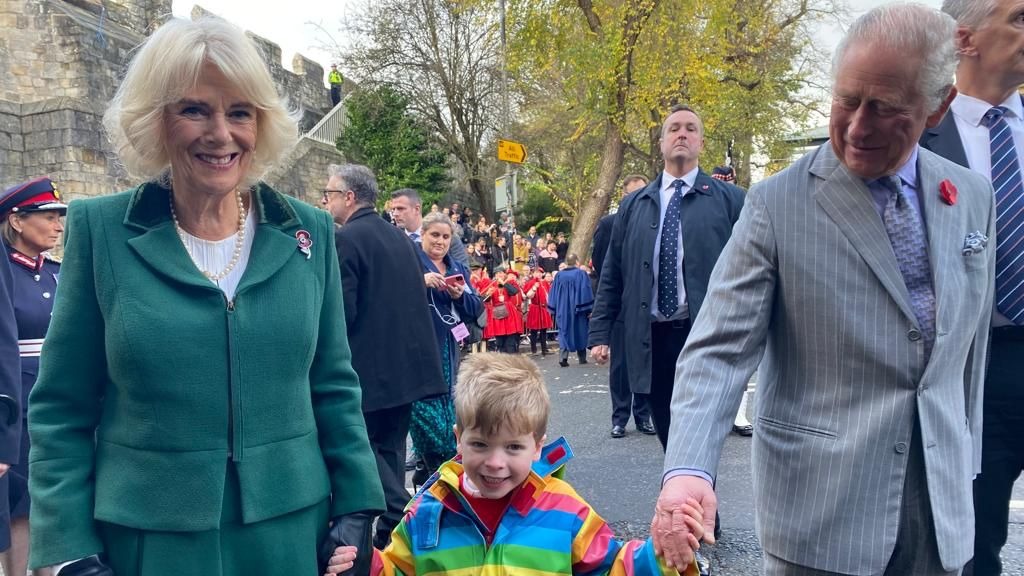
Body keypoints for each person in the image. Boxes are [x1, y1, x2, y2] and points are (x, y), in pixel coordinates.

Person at [26, 17, 384, 575]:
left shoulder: (308, 232)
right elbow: (61, 408)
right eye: (194, 110)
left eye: (239, 112)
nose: (221, 134)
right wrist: (70, 550)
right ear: (156, 120)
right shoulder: (100, 230)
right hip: (150, 540)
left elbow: (334, 383)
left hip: (291, 536)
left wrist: (358, 505)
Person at [654, 5, 996, 575]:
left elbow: (971, 350)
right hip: (820, 515)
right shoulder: (777, 203)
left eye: (885, 107)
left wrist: (968, 459)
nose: (858, 127)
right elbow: (717, 351)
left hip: (940, 510)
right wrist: (687, 471)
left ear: (938, 105)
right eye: (847, 100)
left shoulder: (972, 196)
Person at [326, 352, 704, 576]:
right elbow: (396, 569)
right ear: (458, 439)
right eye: (479, 444)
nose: (495, 463)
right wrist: (363, 564)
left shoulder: (564, 511)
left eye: (512, 447)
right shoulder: (428, 513)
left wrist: (663, 556)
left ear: (537, 447)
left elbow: (612, 565)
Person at [919, 2, 1024, 573]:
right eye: (1019, 18)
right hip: (968, 369)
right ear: (966, 39)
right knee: (970, 547)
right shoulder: (916, 137)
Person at [588, 104, 745, 448]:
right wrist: (600, 333)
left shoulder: (731, 201)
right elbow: (613, 273)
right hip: (651, 340)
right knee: (670, 439)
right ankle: (681, 483)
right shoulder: (634, 205)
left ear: (701, 142)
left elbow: (753, 271)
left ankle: (691, 483)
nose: (682, 134)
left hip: (705, 338)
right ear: (661, 143)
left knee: (699, 441)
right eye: (674, 128)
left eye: (690, 128)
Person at [323, 163, 447, 549]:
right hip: (406, 366)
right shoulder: (399, 238)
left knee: (358, 443)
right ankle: (393, 536)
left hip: (368, 368)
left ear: (349, 197)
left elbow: (342, 312)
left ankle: (401, 511)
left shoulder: (347, 239)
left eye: (329, 194)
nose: (324, 202)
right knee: (390, 449)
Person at [0, 178, 64, 576]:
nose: (58, 226)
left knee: (52, 500)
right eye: (49, 217)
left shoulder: (58, 273)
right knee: (21, 506)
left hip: (58, 405)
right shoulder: (4, 273)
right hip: (17, 408)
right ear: (17, 221)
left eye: (60, 218)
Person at [411, 212, 482, 488]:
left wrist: (460, 296)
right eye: (434, 235)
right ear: (423, 235)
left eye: (445, 236)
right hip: (417, 347)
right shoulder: (411, 261)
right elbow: (391, 295)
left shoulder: (457, 267)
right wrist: (420, 282)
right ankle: (434, 464)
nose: (440, 241)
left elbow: (475, 309)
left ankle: (432, 470)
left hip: (449, 347)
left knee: (448, 408)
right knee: (423, 410)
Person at [592, 174, 655, 439]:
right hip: (621, 306)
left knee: (646, 363)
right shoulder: (608, 224)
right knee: (620, 368)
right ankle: (619, 418)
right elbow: (601, 264)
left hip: (648, 307)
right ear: (624, 197)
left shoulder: (655, 221)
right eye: (633, 194)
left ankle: (643, 416)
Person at [391, 188, 470, 267]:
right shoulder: (393, 238)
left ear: (417, 209)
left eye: (400, 209)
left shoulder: (448, 236)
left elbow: (464, 269)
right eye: (393, 209)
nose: (395, 214)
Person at [548, 254, 593, 367]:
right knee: (580, 330)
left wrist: (554, 308)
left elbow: (553, 292)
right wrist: (588, 309)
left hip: (562, 309)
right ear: (577, 261)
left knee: (564, 331)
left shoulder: (559, 275)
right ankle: (582, 358)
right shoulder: (581, 274)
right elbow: (585, 291)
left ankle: (563, 357)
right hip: (578, 308)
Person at [480, 267, 522, 354]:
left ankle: (511, 356)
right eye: (497, 273)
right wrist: (488, 294)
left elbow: (514, 292)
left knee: (510, 340)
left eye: (501, 273)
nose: (499, 275)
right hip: (498, 314)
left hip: (509, 313)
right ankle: (502, 356)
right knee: (500, 341)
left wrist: (503, 283)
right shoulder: (492, 285)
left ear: (504, 275)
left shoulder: (508, 283)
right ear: (495, 276)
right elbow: (484, 300)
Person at [523, 267, 553, 356]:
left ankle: (544, 349)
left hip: (543, 308)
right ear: (533, 274)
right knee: (534, 330)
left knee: (544, 330)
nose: (538, 274)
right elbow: (528, 295)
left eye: (540, 273)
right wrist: (534, 288)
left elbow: (548, 295)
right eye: (536, 272)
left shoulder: (544, 283)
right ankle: (534, 350)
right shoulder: (530, 283)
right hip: (535, 308)